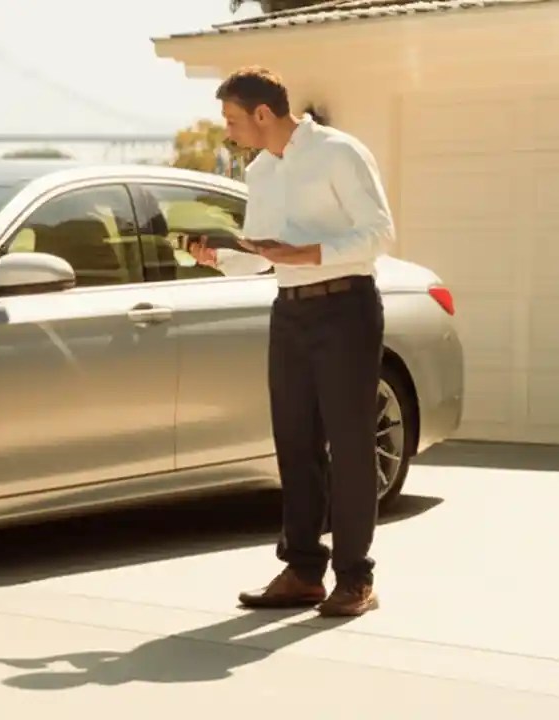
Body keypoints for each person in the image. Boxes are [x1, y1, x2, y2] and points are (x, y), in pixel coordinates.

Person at [188, 66, 395, 617]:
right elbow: (264, 255)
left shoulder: (338, 152)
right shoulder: (259, 173)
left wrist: (308, 254)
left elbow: (379, 233)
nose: (228, 132)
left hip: (346, 307)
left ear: (263, 113)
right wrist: (220, 258)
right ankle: (304, 571)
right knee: (296, 443)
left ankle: (355, 579)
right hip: (291, 313)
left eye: (233, 120)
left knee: (350, 448)